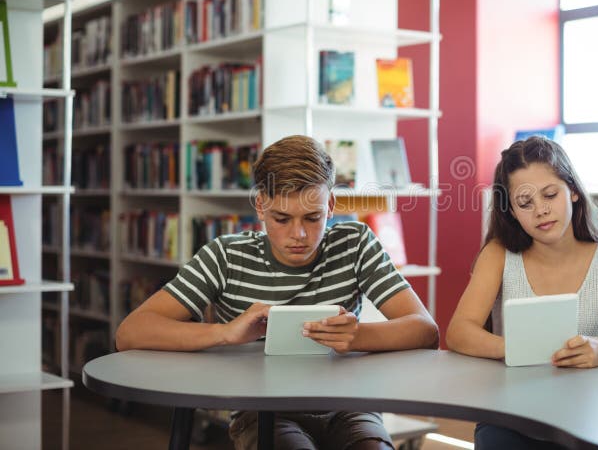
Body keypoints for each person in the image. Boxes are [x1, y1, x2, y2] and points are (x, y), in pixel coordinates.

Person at [116, 134, 439, 450]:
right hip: (261, 410)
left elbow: (425, 330)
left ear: (331, 205)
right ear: (260, 205)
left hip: (348, 405)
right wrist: (225, 333)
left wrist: (359, 337)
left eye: (312, 218)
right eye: (281, 218)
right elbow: (131, 333)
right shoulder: (226, 256)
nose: (298, 235)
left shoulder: (355, 243)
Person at [445, 136, 598, 449]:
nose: (541, 210)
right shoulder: (498, 255)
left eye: (550, 194)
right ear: (511, 212)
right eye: (525, 203)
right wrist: (516, 348)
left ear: (573, 191)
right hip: (511, 416)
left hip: (588, 416)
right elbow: (458, 332)